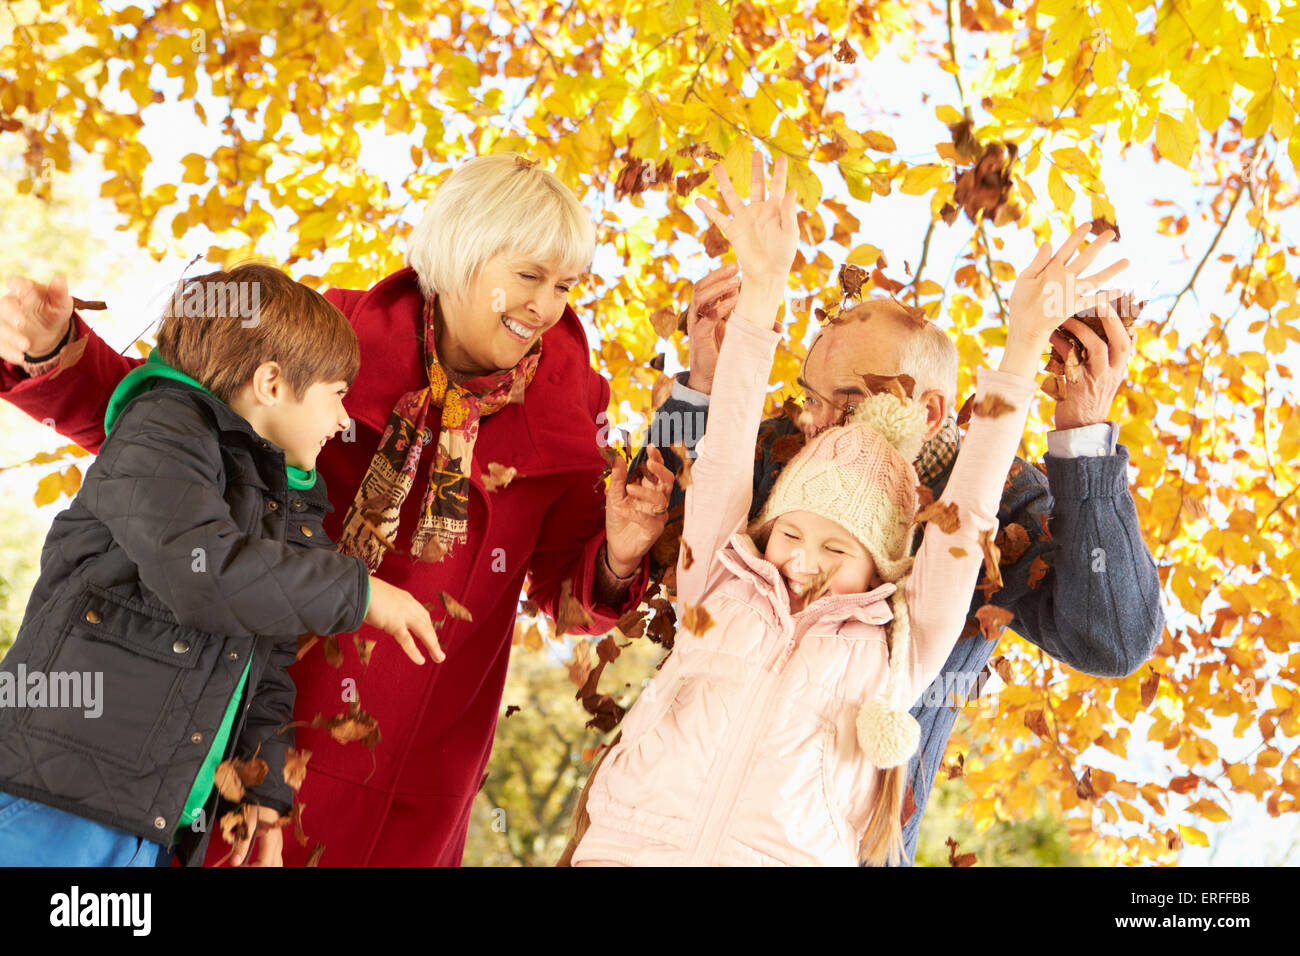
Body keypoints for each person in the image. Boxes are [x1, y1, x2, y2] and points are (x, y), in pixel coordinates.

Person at [0, 154, 674, 866]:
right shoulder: (331, 337)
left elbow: (569, 601)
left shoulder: (573, 409)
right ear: (458, 253)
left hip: (419, 764)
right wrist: (55, 354)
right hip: (255, 716)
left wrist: (621, 552)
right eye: (529, 276)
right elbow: (175, 436)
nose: (546, 307)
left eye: (565, 285)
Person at [571, 152, 1104, 866]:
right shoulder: (724, 575)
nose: (802, 563)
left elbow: (973, 512)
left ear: (883, 570)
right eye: (790, 533)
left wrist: (1026, 345)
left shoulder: (897, 648)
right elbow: (716, 455)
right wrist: (753, 302)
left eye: (837, 552)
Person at [0, 264, 441, 867]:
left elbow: (267, 669)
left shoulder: (290, 508)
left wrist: (258, 794)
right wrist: (362, 594)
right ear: (271, 382)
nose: (344, 421)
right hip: (56, 793)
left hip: (153, 821)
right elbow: (202, 575)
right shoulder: (163, 429)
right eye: (338, 395)